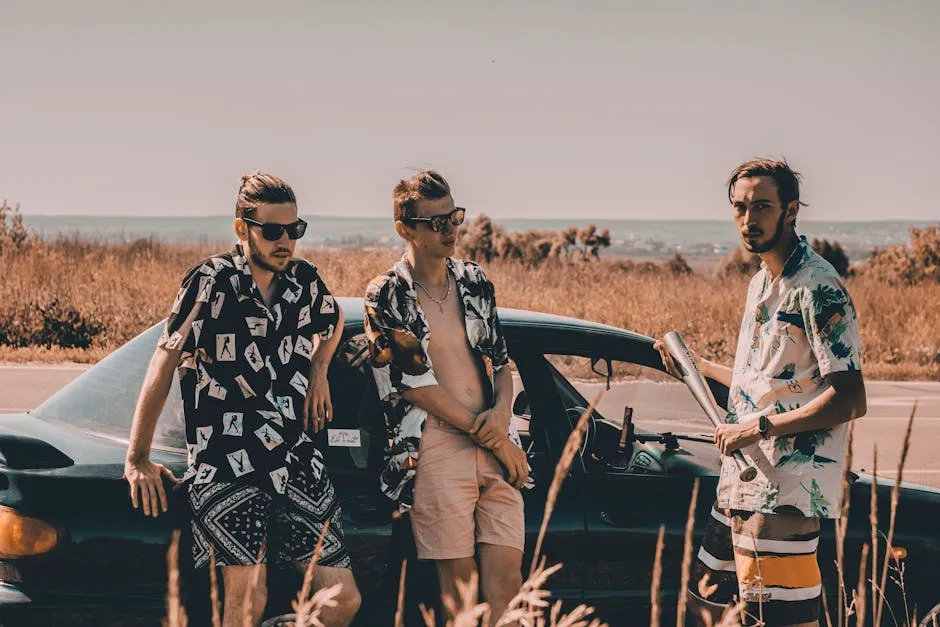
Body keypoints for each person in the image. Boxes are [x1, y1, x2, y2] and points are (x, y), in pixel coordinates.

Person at [124, 172, 361, 627]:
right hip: (228, 460)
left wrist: (319, 372)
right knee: (247, 602)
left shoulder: (304, 281)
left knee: (340, 601)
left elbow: (332, 321)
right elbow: (164, 360)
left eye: (295, 230)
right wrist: (137, 457)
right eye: (272, 230)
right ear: (242, 229)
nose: (286, 241)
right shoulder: (211, 281)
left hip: (294, 456)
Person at [657, 159, 867, 627]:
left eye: (762, 207)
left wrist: (759, 427)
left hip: (788, 491)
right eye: (740, 208)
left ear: (790, 210)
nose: (749, 220)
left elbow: (851, 398)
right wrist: (692, 366)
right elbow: (759, 385)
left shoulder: (818, 287)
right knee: (707, 605)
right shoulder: (761, 283)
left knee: (781, 620)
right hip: (740, 483)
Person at [364, 170, 530, 625]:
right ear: (405, 228)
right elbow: (413, 384)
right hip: (435, 447)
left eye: (454, 217)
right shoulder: (386, 293)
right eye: (436, 222)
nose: (451, 230)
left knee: (508, 586)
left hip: (494, 437)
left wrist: (500, 417)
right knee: (459, 594)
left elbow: (501, 363)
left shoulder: (474, 280)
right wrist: (497, 440)